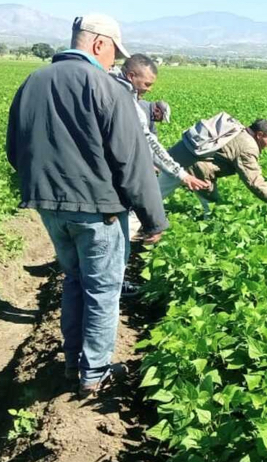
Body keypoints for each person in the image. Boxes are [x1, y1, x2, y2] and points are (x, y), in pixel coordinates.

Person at [6, 14, 169, 397]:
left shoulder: (33, 82)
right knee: (103, 290)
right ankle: (94, 373)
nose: (115, 62)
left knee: (75, 279)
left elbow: (15, 151)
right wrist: (154, 220)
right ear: (98, 44)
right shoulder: (107, 88)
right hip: (99, 211)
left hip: (49, 207)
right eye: (114, 53)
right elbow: (132, 163)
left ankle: (72, 361)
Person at [111, 54, 209, 296]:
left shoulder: (99, 85)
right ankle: (111, 288)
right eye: (147, 83)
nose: (149, 89)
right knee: (113, 245)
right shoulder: (124, 100)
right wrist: (180, 174)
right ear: (130, 76)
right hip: (108, 188)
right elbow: (148, 144)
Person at [163, 116, 267, 215]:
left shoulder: (238, 129)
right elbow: (254, 181)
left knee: (210, 204)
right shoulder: (248, 146)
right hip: (191, 168)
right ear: (259, 135)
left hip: (181, 157)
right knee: (156, 196)